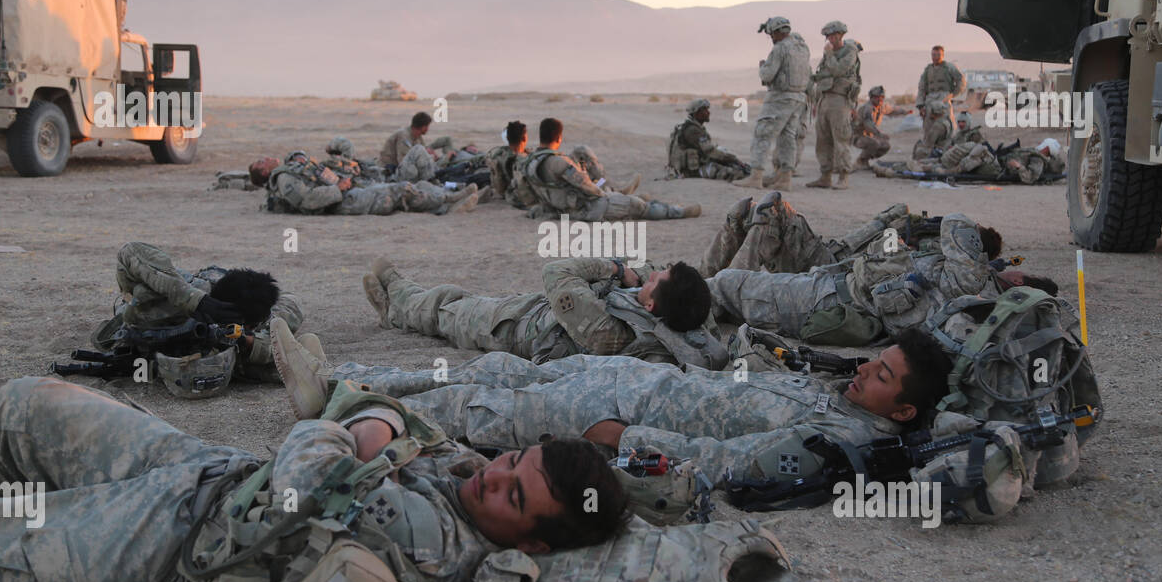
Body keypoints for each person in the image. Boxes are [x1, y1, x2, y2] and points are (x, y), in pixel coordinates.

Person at [0, 376, 627, 582]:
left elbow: (301, 480)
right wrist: (384, 421)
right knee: (25, 408)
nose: (495, 476)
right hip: (210, 474)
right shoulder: (468, 481)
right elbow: (397, 411)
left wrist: (363, 431)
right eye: (514, 462)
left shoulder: (433, 543)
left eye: (516, 495)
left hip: (171, 553)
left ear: (533, 545)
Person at [272, 321, 954, 488]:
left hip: (623, 413)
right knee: (504, 367)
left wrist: (621, 438)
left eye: (884, 376)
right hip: (628, 376)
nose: (867, 369)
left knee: (482, 408)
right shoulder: (838, 395)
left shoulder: (839, 443)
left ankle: (330, 407)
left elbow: (729, 462)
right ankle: (340, 376)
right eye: (877, 360)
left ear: (901, 411)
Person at [361, 255, 720, 366]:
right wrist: (639, 278)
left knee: (447, 308)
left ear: (653, 304)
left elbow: (557, 271)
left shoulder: (612, 333)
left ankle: (395, 306)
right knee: (456, 297)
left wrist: (615, 270)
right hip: (536, 311)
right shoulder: (678, 320)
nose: (652, 273)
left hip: (512, 328)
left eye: (657, 279)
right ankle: (398, 292)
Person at [705, 213, 1003, 343]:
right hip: (829, 287)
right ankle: (685, 291)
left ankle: (669, 302)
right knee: (729, 285)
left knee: (727, 284)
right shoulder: (947, 276)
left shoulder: (963, 279)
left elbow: (956, 220)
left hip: (828, 300)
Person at [86, 241, 303, 388]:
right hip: (165, 303)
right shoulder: (169, 302)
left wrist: (247, 341)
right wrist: (196, 301)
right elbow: (129, 251)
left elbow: (291, 306)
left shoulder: (239, 333)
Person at [521, 118, 698, 221]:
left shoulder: (530, 161)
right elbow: (588, 188)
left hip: (558, 203)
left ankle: (613, 187)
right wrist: (609, 195)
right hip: (584, 208)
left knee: (580, 151)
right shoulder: (558, 163)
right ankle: (678, 212)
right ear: (559, 137)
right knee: (636, 205)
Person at [698, 193, 914, 277]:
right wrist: (886, 218)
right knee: (742, 212)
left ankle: (726, 288)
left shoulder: (907, 259)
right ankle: (702, 278)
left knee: (773, 212)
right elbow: (854, 240)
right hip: (828, 257)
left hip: (824, 273)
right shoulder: (893, 230)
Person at [264, 151, 478, 216]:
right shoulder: (284, 178)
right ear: (262, 172)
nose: (266, 158)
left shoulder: (294, 171)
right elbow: (306, 200)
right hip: (341, 202)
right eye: (261, 162)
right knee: (399, 190)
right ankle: (447, 201)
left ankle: (445, 201)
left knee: (414, 184)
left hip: (348, 191)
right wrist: (336, 189)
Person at [736, 17, 812, 191]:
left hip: (779, 99)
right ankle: (785, 179)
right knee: (788, 138)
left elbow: (767, 75)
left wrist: (762, 66)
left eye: (771, 34)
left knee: (763, 134)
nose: (771, 37)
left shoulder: (780, 48)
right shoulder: (802, 47)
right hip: (798, 98)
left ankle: (756, 177)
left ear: (778, 31)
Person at [807, 21, 862, 190]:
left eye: (831, 36)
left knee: (841, 139)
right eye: (827, 37)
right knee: (823, 140)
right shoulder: (829, 53)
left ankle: (843, 176)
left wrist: (830, 55)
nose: (829, 39)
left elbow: (838, 70)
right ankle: (825, 176)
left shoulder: (850, 52)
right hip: (825, 99)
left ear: (840, 35)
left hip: (840, 100)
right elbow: (825, 74)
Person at [667, 99, 750, 181]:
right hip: (691, 172)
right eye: (704, 110)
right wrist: (734, 159)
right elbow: (710, 152)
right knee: (734, 173)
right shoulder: (692, 130)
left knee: (727, 159)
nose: (708, 112)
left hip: (692, 167)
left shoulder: (692, 127)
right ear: (697, 113)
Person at [917, 46, 965, 141]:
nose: (935, 57)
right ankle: (929, 148)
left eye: (938, 55)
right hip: (930, 100)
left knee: (947, 124)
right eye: (934, 54)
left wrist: (953, 94)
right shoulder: (928, 70)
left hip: (944, 99)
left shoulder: (949, 67)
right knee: (928, 126)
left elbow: (961, 80)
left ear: (943, 55)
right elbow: (921, 87)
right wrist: (920, 105)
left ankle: (949, 145)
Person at [851, 86, 900, 170]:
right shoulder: (867, 108)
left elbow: (892, 110)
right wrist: (879, 134)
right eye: (877, 97)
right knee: (874, 143)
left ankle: (865, 159)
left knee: (885, 145)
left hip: (868, 136)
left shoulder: (880, 107)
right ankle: (860, 161)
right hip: (857, 137)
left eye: (882, 97)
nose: (880, 99)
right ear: (872, 97)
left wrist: (906, 112)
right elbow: (868, 125)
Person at [486, 120, 530, 206]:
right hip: (520, 198)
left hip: (505, 194)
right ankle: (565, 219)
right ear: (524, 138)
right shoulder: (523, 159)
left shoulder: (499, 155)